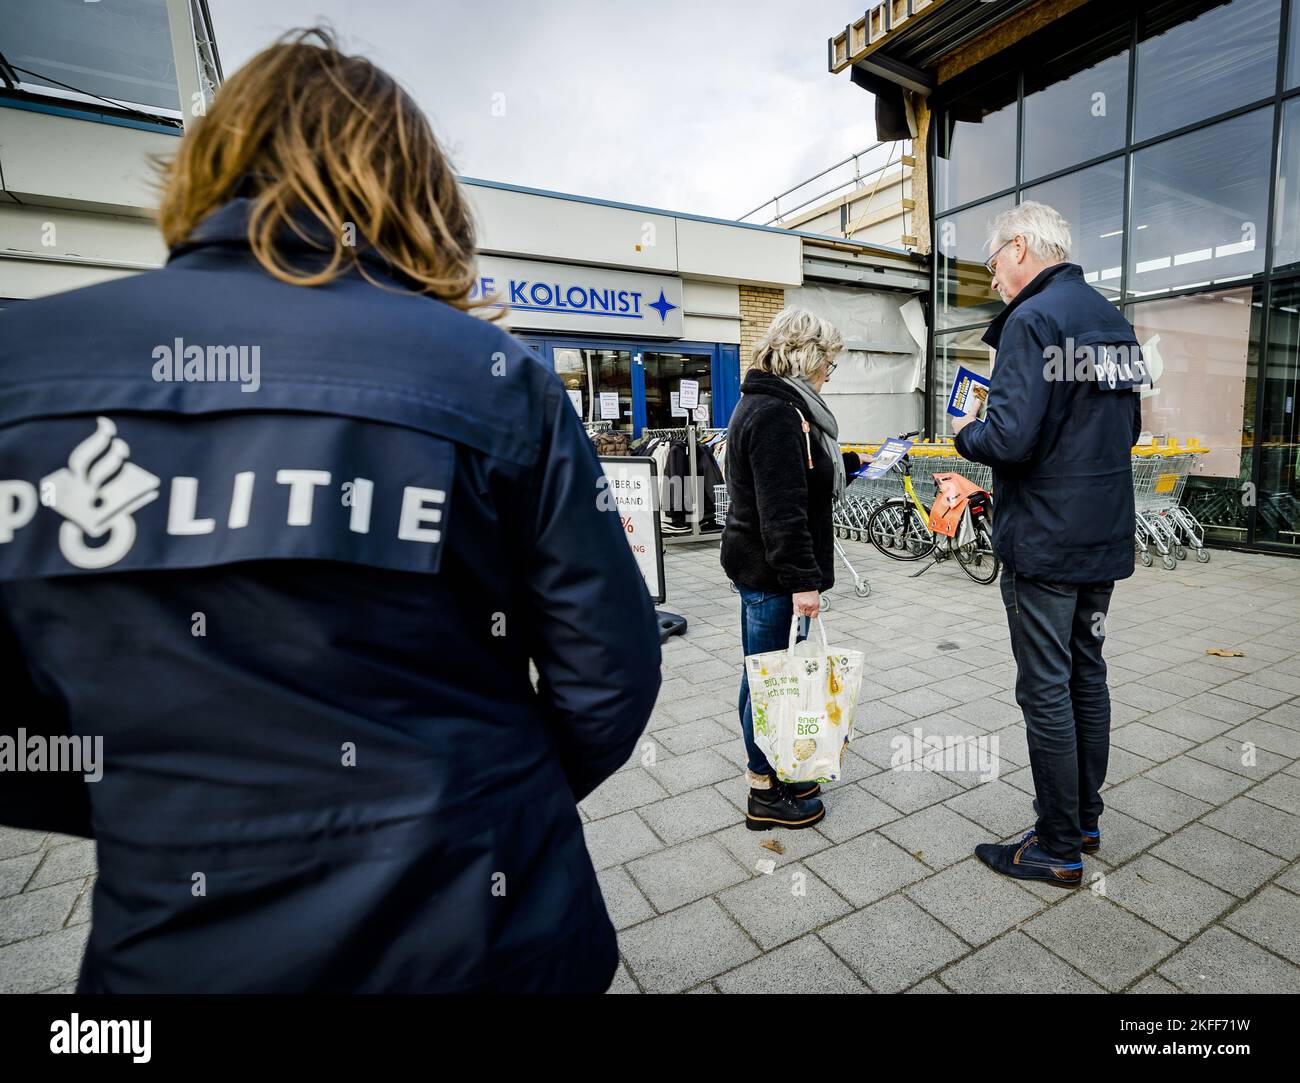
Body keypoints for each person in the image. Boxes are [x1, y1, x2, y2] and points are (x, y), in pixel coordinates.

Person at [0, 29, 661, 992]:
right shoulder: (493, 379)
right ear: (414, 191)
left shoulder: (24, 373)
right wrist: (499, 797)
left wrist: (156, 806)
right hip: (485, 938)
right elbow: (610, 673)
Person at [953, 201, 1146, 887]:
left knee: (1046, 687)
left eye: (995, 260)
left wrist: (964, 431)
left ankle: (1057, 844)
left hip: (1044, 541)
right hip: (1101, 536)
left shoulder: (1032, 320)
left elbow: (1008, 438)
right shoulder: (1111, 320)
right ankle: (1085, 818)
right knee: (1085, 671)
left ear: (1023, 247)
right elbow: (1127, 429)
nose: (995, 275)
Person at [721, 308, 862, 830]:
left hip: (765, 570)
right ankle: (764, 791)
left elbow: (799, 480)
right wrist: (804, 583)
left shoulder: (775, 406)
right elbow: (782, 510)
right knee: (767, 679)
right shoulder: (777, 414)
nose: (830, 372)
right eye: (828, 361)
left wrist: (846, 466)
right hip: (771, 574)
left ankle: (783, 768)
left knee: (770, 673)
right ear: (807, 358)